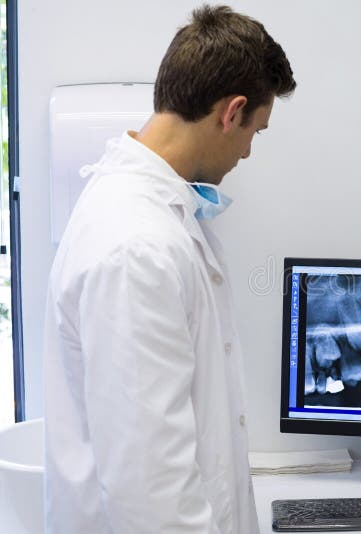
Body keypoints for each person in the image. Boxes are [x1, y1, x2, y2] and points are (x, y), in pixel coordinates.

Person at [43, 5, 295, 533]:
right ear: (232, 112)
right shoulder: (136, 247)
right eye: (257, 131)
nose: (248, 152)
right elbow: (150, 495)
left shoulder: (154, 217)